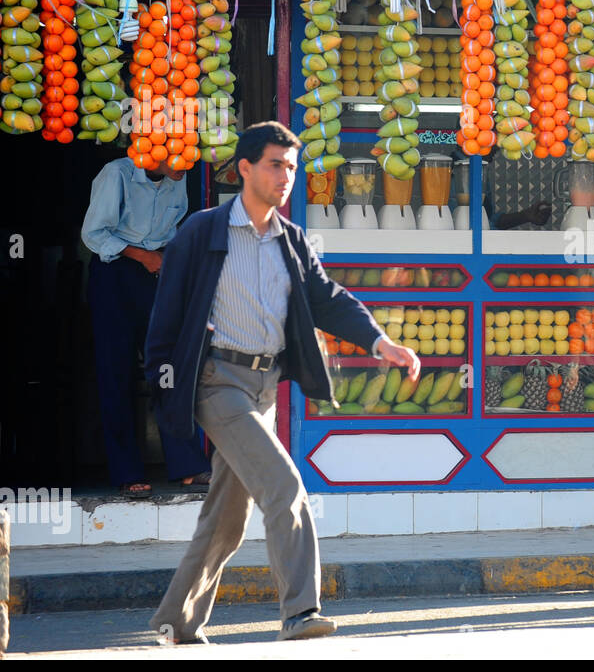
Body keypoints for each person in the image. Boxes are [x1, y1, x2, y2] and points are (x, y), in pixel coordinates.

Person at [145, 122, 420, 643]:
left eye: (292, 167)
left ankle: (174, 623)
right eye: (276, 164)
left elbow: (327, 299)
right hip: (215, 381)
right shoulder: (201, 232)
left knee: (227, 514)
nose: (286, 176)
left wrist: (380, 341)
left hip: (263, 386)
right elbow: (165, 317)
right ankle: (299, 612)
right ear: (244, 168)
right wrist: (164, 385)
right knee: (284, 485)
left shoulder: (290, 240)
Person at [81, 157, 211, 497]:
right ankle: (127, 472)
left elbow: (173, 229)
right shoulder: (117, 174)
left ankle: (187, 466)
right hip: (114, 276)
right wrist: (144, 257)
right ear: (155, 150)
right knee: (116, 372)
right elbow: (93, 234)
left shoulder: (177, 175)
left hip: (155, 275)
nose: (189, 162)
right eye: (180, 153)